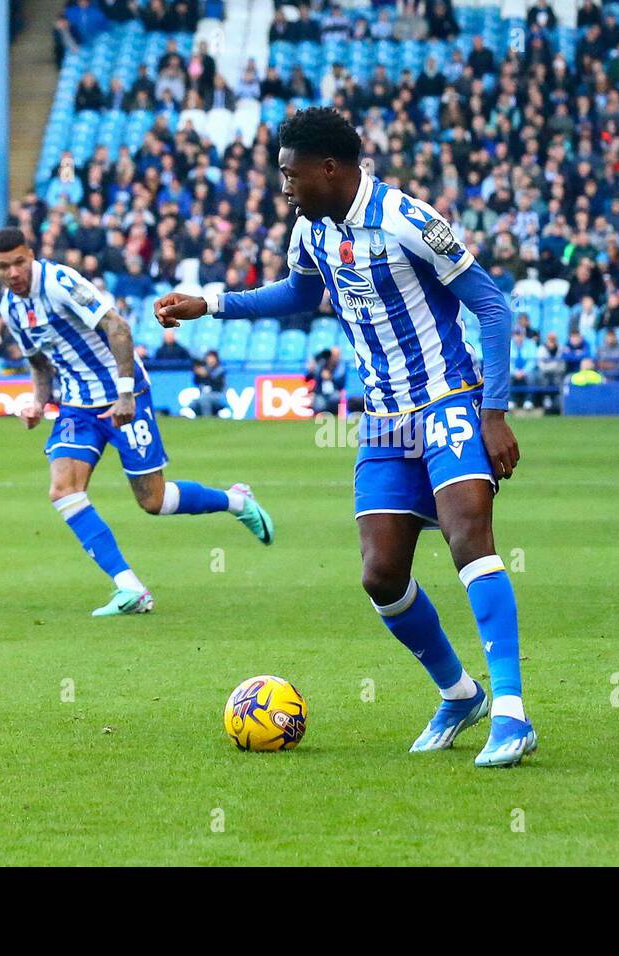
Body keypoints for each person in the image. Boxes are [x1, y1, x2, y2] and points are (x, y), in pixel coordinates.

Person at [153, 108, 534, 766]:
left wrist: (493, 412)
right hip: (384, 417)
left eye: (289, 173)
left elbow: (493, 304)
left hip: (448, 398)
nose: (284, 187)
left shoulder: (408, 220)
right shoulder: (310, 232)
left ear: (328, 168)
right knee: (381, 574)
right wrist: (211, 303)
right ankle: (458, 693)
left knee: (470, 534)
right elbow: (298, 298)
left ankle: (511, 712)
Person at [0, 227, 274, 618]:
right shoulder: (11, 308)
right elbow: (39, 361)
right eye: (4, 266)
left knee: (153, 501)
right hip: (76, 405)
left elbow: (117, 326)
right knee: (62, 490)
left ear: (32, 256)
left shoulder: (59, 282)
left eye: (20, 262)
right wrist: (38, 402)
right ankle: (130, 587)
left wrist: (124, 392)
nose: (14, 272)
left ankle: (236, 500)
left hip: (126, 394)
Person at [306, 346, 347, 415]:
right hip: (320, 392)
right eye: (333, 355)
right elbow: (308, 378)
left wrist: (330, 378)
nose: (334, 357)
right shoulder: (322, 364)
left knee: (335, 397)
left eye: (337, 355)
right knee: (319, 405)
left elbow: (341, 384)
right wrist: (312, 368)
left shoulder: (341, 367)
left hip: (334, 391)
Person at [189, 350, 227, 417]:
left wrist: (207, 375)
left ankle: (207, 418)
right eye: (208, 358)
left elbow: (218, 385)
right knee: (193, 404)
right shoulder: (204, 369)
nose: (210, 360)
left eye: (212, 358)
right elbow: (196, 382)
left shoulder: (220, 371)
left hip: (217, 395)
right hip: (203, 395)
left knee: (204, 399)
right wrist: (197, 373)